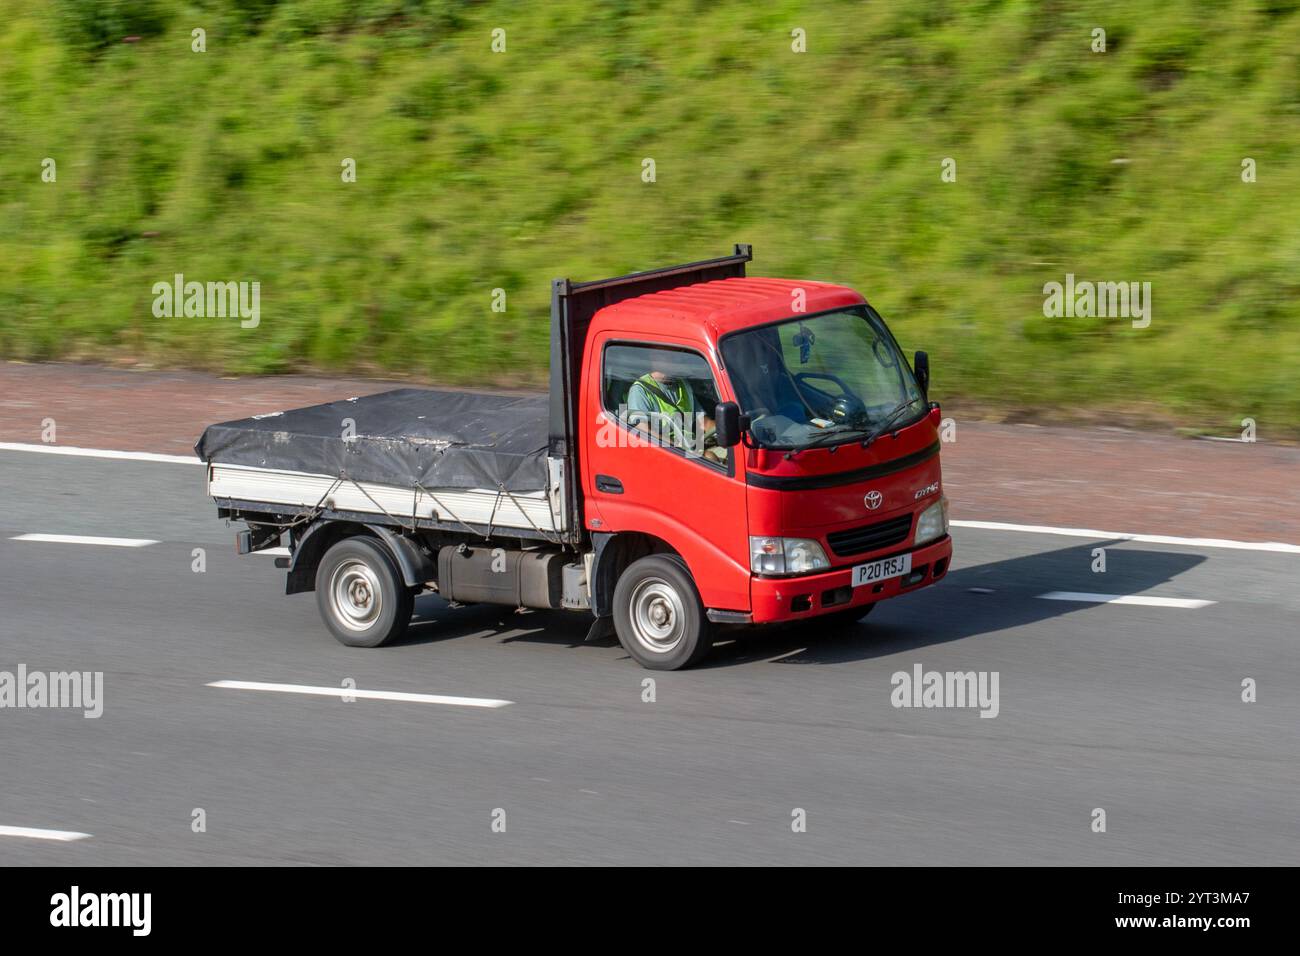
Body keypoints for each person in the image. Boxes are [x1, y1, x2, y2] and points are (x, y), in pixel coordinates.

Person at [626, 354, 723, 461]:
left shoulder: (683, 384)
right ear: (654, 358)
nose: (677, 359)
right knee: (712, 459)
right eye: (670, 355)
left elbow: (703, 422)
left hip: (693, 447)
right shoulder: (640, 390)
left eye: (676, 355)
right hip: (668, 455)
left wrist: (724, 434)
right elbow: (644, 432)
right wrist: (683, 448)